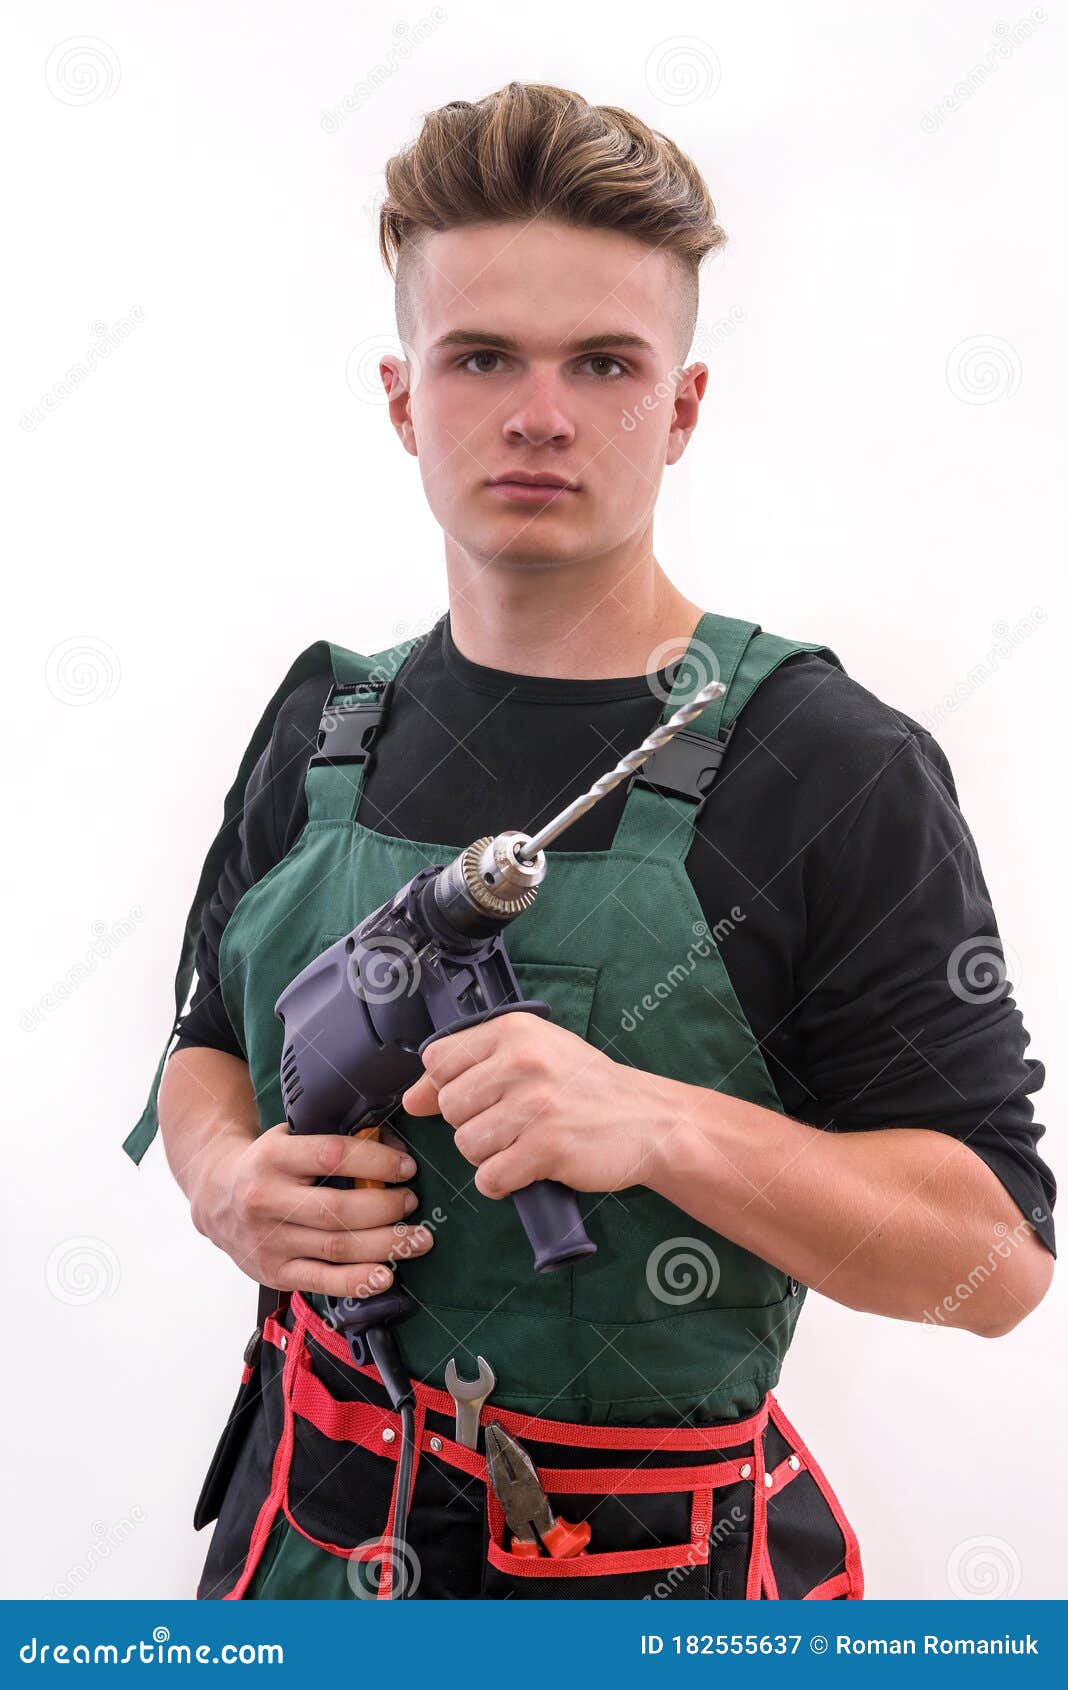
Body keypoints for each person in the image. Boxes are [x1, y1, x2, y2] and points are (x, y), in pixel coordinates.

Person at [125, 81, 1055, 1601]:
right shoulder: (321, 723)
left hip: (635, 1585)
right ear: (401, 396)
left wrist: (660, 1123)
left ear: (679, 407)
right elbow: (204, 1043)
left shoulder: (832, 767)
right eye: (481, 355)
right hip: (296, 1543)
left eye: (604, 363)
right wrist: (223, 1173)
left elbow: (997, 1262)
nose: (539, 412)